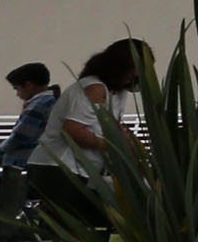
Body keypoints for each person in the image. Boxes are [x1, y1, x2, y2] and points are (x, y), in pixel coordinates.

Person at [35, 40, 142, 181]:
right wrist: (116, 148)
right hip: (60, 166)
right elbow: (73, 131)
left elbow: (109, 126)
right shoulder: (95, 88)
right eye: (133, 76)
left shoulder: (118, 92)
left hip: (82, 169)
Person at [0, 66, 55, 168]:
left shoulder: (39, 105)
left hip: (23, 163)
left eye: (16, 88)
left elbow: (20, 136)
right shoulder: (48, 101)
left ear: (28, 85)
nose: (17, 94)